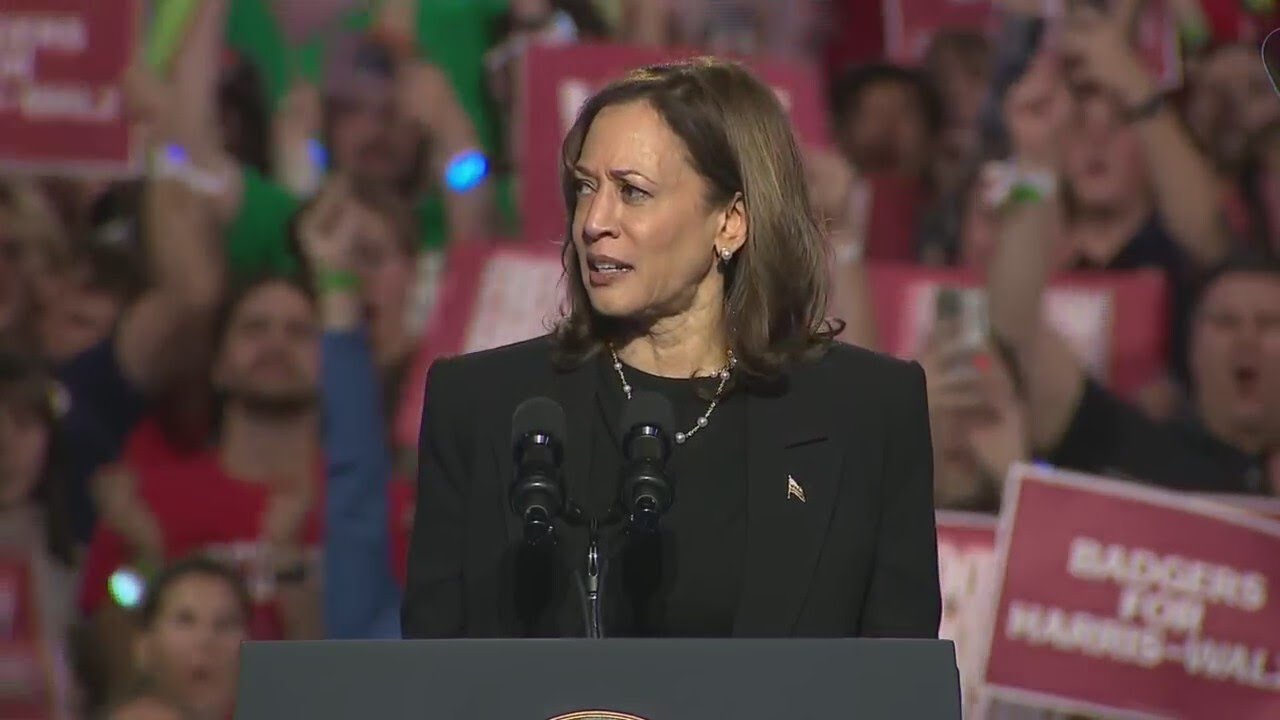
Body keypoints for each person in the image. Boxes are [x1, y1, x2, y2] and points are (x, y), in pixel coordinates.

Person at [402, 58, 940, 639]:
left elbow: (900, 682)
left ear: (730, 222)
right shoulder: (479, 406)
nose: (593, 222)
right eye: (586, 188)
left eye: (632, 192)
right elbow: (435, 677)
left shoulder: (868, 414)